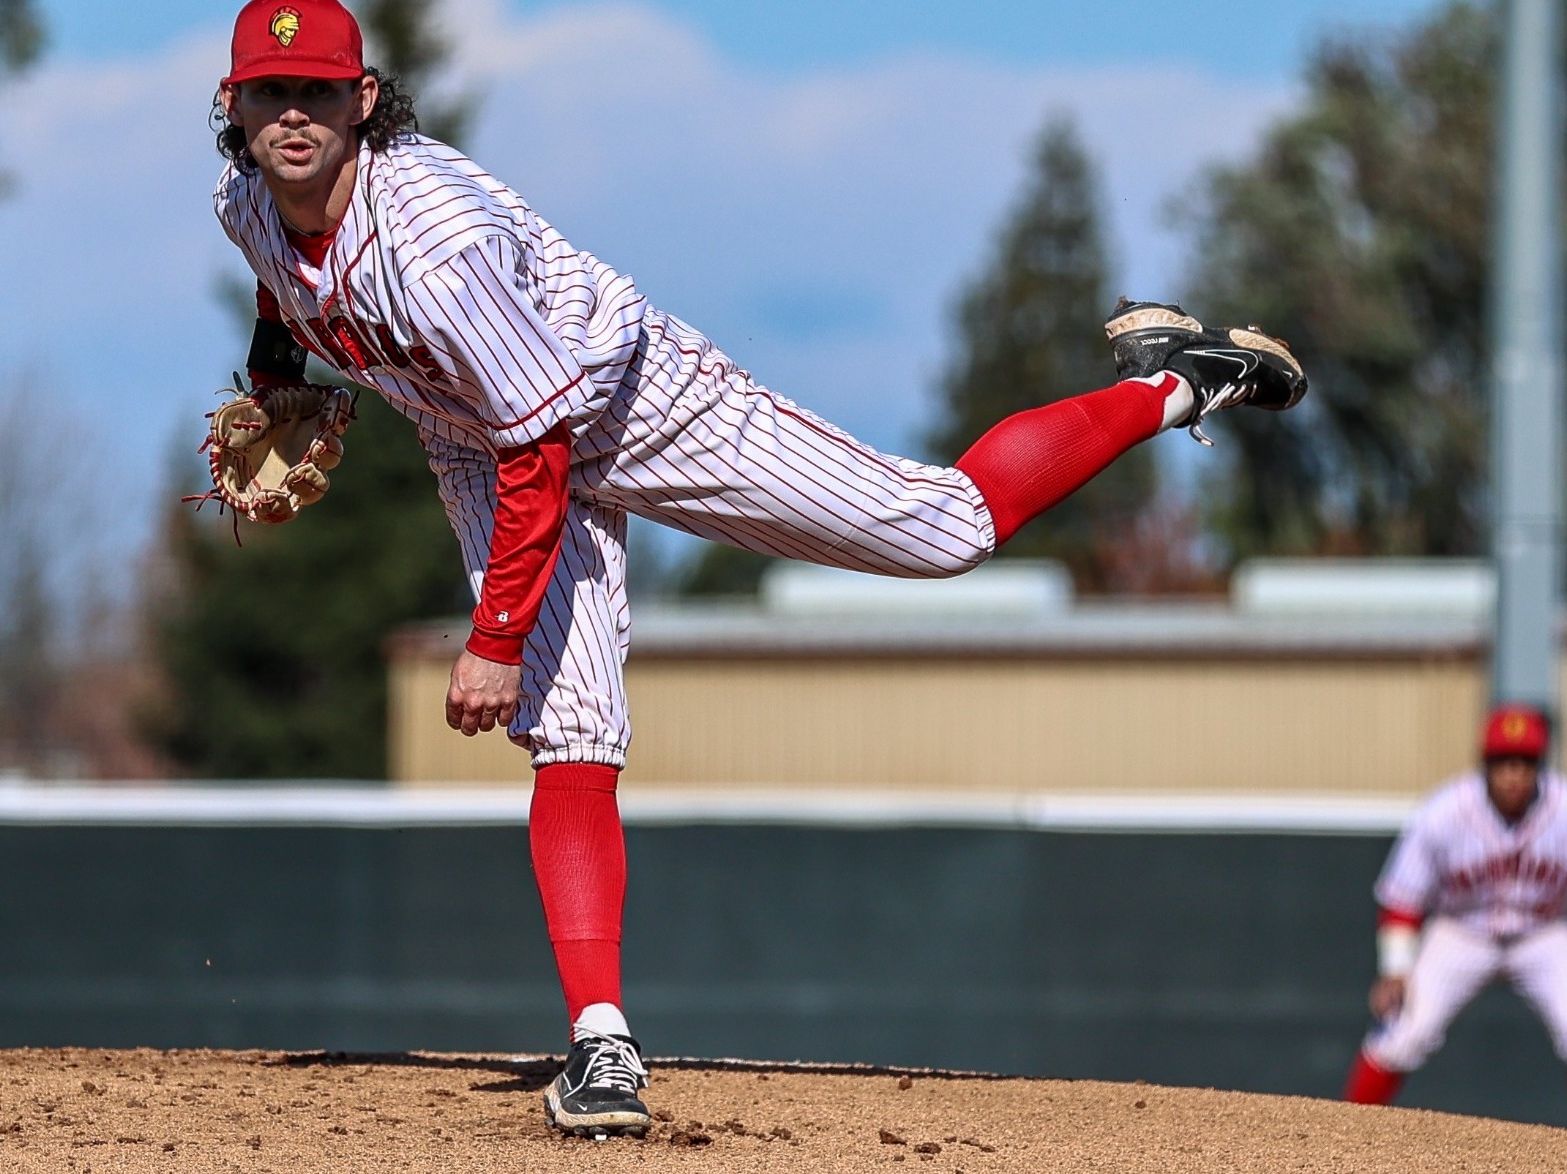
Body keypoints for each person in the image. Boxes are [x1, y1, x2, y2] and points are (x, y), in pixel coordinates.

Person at [208, 0, 1306, 1138]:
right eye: (269, 93)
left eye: (317, 91)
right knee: (571, 728)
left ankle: (1172, 381)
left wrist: (494, 641)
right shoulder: (245, 199)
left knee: (944, 532)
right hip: (484, 438)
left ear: (364, 100)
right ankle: (602, 1044)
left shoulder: (434, 245)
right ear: (235, 107)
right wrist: (275, 378)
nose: (293, 116)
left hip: (632, 404)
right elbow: (285, 285)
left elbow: (543, 447)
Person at [1343, 704, 1567, 1105]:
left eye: (1524, 762)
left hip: (1542, 933)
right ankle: (1345, 1133)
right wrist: (1395, 968)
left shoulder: (1562, 808)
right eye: (1503, 762)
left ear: (1540, 765)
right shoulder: (1443, 812)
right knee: (1405, 1031)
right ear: (1485, 764)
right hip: (1463, 931)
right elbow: (1403, 899)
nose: (1514, 774)